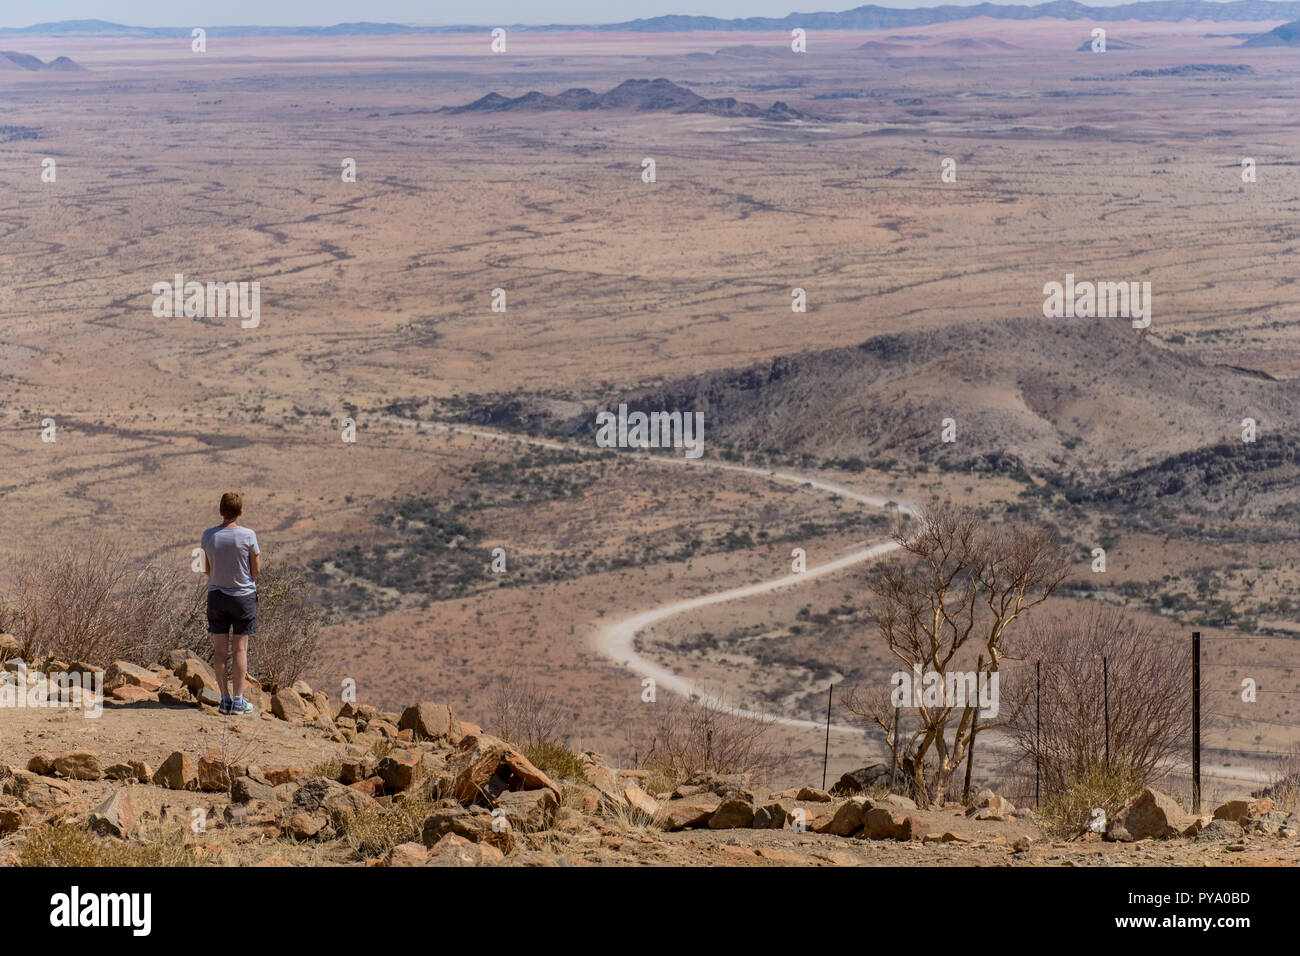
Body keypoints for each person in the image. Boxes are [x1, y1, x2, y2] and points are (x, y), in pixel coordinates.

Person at [201, 492, 260, 715]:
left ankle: (224, 699)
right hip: (243, 597)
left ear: (221, 511)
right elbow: (256, 570)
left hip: (217, 596)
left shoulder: (208, 535)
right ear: (240, 512)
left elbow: (206, 569)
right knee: (240, 649)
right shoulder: (248, 535)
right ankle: (238, 700)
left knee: (219, 651)